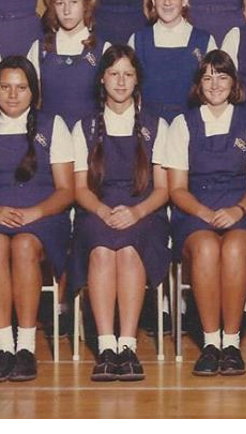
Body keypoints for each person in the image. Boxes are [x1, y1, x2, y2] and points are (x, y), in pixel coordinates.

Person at [0, 56, 75, 383]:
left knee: (23, 247)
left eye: (21, 88)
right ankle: (4, 348)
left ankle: (26, 347)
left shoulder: (53, 125)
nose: (12, 94)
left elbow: (66, 190)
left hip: (42, 215)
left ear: (33, 92)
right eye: (5, 87)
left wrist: (36, 213)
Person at [69, 45, 171, 382]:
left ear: (137, 79)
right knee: (100, 252)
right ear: (102, 79)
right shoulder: (83, 127)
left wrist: (136, 211)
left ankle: (127, 345)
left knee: (128, 253)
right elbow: (79, 188)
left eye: (128, 74)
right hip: (97, 210)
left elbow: (164, 189)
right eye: (114, 74)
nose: (121, 81)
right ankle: (106, 346)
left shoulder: (156, 125)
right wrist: (101, 209)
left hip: (143, 212)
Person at [165, 50, 246, 376]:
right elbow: (177, 188)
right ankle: (211, 342)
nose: (214, 84)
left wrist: (237, 211)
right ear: (198, 84)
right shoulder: (182, 124)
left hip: (241, 210)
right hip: (196, 211)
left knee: (235, 247)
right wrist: (206, 213)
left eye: (221, 76)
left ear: (233, 82)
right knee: (208, 247)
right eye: (207, 77)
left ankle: (232, 342)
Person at [20, 0, 106, 129]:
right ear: (52, 6)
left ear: (86, 4)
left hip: (89, 134)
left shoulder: (103, 49)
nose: (67, 10)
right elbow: (31, 100)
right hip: (51, 134)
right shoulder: (39, 48)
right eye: (60, 3)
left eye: (74, 2)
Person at [129, 0, 217, 122]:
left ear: (185, 0)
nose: (167, 1)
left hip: (191, 124)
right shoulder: (138, 40)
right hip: (148, 125)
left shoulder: (204, 40)